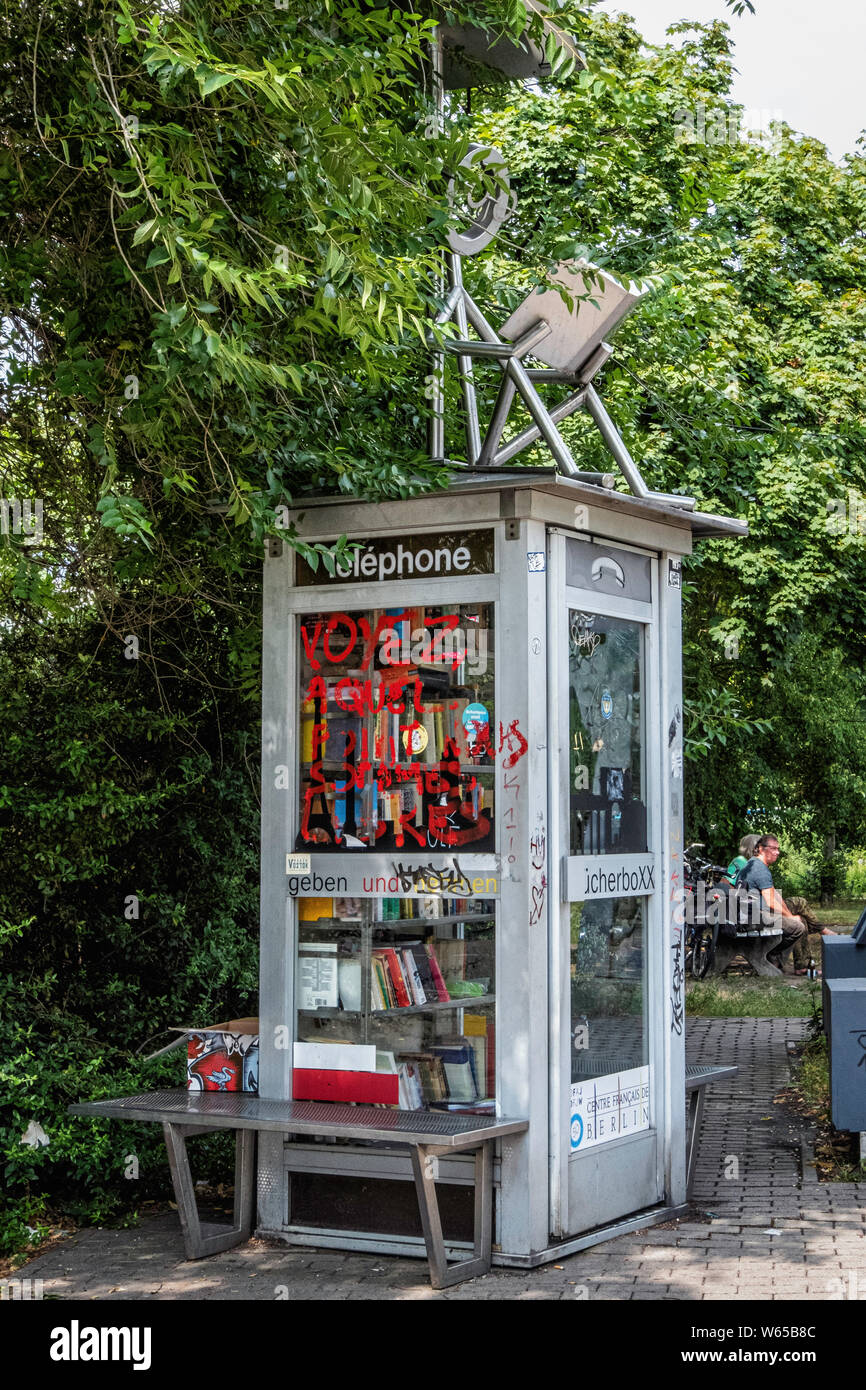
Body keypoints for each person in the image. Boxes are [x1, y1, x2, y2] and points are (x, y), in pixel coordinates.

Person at [735, 834, 808, 971]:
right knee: (797, 927)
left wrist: (789, 914)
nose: (777, 852)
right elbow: (771, 903)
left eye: (778, 849)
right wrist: (791, 918)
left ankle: (774, 960)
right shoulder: (760, 869)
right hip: (752, 918)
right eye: (773, 848)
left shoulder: (752, 864)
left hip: (746, 915)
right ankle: (769, 956)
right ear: (761, 849)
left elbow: (775, 896)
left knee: (796, 921)